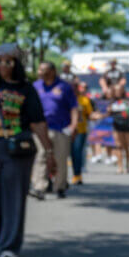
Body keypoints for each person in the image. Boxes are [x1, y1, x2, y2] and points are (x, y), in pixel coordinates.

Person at [0, 44, 55, 257]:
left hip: (16, 150)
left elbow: (38, 124)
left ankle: (8, 245)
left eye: (8, 61)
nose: (3, 65)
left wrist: (49, 152)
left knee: (13, 197)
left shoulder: (26, 89)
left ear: (16, 64)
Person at [29, 61, 79, 200]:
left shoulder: (64, 87)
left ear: (52, 71)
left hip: (61, 129)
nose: (40, 72)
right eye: (39, 70)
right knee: (41, 156)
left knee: (60, 158)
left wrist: (73, 126)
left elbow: (74, 108)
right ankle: (39, 187)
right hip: (40, 129)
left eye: (43, 70)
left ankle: (60, 186)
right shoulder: (35, 86)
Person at [71, 81, 93, 185]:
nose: (75, 89)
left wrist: (104, 114)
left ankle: (77, 175)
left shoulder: (84, 100)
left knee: (77, 153)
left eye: (76, 87)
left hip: (80, 130)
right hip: (66, 130)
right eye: (72, 87)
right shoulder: (65, 99)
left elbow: (90, 115)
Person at [109, 85, 129, 174]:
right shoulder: (112, 102)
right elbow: (108, 112)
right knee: (118, 146)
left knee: (126, 147)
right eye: (116, 90)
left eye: (119, 90)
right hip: (117, 126)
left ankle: (127, 166)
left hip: (127, 126)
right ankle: (120, 167)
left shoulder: (127, 101)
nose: (118, 92)